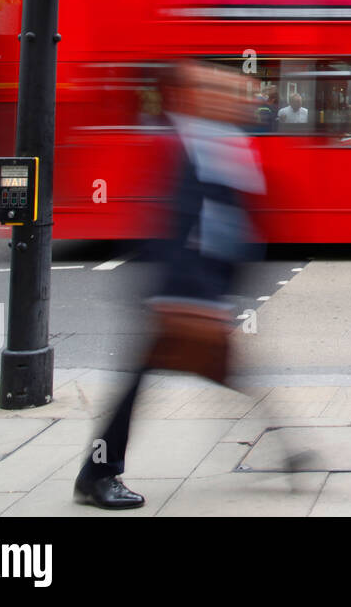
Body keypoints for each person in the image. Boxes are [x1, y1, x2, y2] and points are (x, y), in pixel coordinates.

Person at [73, 61, 265, 509]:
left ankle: (97, 472)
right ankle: (97, 474)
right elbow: (173, 226)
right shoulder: (184, 142)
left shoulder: (216, 141)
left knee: (222, 373)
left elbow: (230, 221)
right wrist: (190, 296)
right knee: (199, 375)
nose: (232, 99)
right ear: (190, 95)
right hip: (179, 294)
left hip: (196, 293)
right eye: (215, 90)